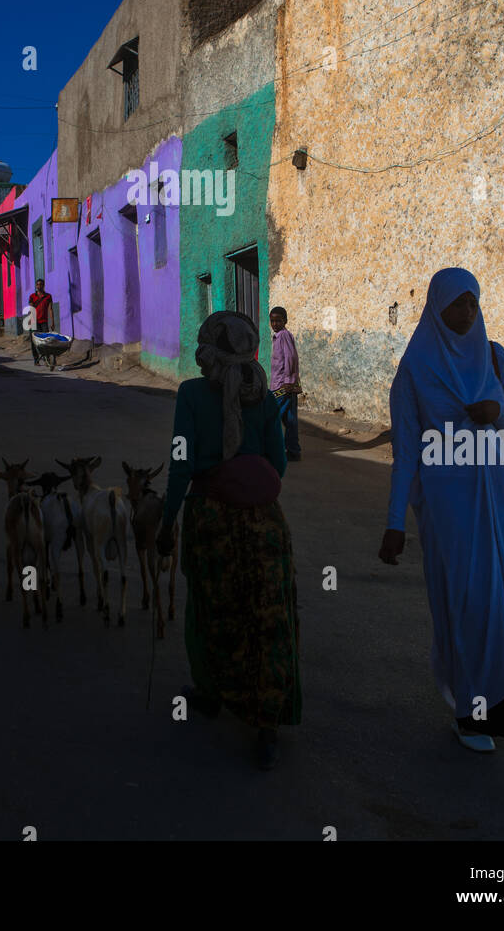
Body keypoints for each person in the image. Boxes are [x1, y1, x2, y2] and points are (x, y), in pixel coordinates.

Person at [379, 267, 504, 753]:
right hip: (451, 513)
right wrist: (395, 523)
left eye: (474, 302)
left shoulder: (495, 359)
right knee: (471, 608)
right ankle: (472, 716)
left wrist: (499, 416)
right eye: (458, 303)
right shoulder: (415, 371)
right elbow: (407, 453)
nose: (468, 311)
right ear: (437, 306)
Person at [156, 310, 301, 770]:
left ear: (209, 349)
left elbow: (181, 463)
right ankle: (267, 721)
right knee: (267, 613)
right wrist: (248, 483)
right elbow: (277, 461)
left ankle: (211, 691)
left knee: (210, 608)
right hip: (264, 522)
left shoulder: (192, 394)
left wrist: (167, 521)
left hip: (210, 520)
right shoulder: (260, 392)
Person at [269, 305, 302, 461]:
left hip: (283, 386)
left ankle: (275, 450)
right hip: (285, 384)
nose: (275, 324)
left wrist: (288, 381)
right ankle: (293, 450)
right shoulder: (279, 336)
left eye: (278, 321)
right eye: (272, 321)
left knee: (273, 417)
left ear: (285, 321)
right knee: (290, 419)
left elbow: (290, 358)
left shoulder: (283, 336)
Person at [29, 278, 54, 366]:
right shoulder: (32, 296)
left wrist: (52, 322)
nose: (39, 286)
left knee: (46, 341)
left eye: (41, 284)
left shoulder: (48, 296)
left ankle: (47, 359)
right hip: (34, 322)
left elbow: (50, 309)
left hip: (44, 322)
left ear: (43, 286)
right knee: (34, 341)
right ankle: (36, 360)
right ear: (36, 286)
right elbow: (31, 309)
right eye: (38, 284)